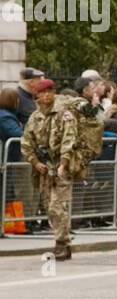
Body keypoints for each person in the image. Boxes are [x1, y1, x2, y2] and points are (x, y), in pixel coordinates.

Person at [21, 78, 102, 260]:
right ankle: (64, 243)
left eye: (50, 91)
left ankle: (61, 242)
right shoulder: (35, 117)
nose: (47, 95)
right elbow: (26, 143)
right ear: (37, 96)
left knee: (57, 206)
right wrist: (35, 162)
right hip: (44, 168)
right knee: (49, 207)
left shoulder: (64, 114)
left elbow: (69, 139)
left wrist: (64, 163)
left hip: (61, 166)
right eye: (43, 92)